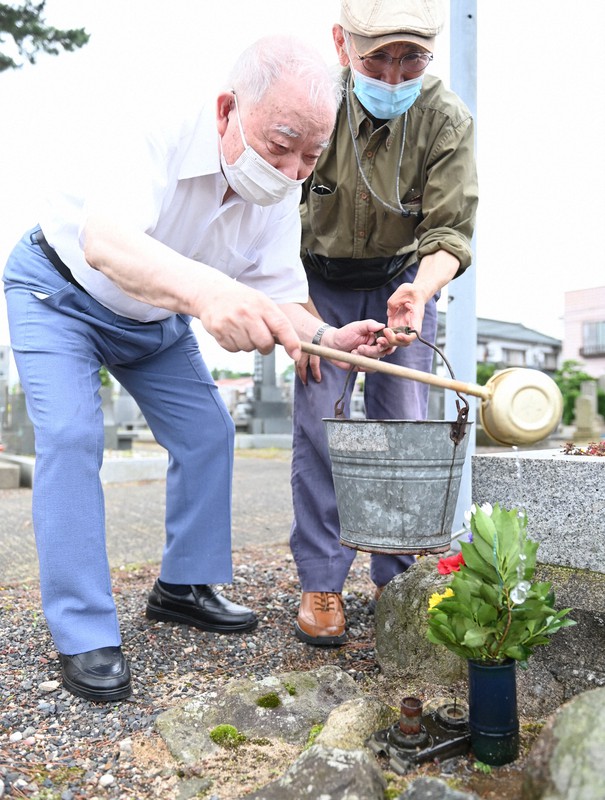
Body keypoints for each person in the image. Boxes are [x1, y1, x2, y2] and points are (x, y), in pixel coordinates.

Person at [2, 35, 392, 702]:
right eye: (281, 145)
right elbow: (107, 244)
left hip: (154, 321)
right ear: (225, 110)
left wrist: (328, 335)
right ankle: (83, 629)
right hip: (58, 294)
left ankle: (182, 585)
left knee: (209, 431)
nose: (295, 171)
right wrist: (211, 295)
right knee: (70, 437)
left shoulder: (277, 193)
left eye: (311, 155)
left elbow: (281, 296)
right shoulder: (150, 126)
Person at [291, 0, 479, 646]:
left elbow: (450, 230)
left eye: (412, 59)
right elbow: (272, 216)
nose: (395, 76)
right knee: (322, 425)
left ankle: (395, 579)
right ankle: (321, 580)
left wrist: (418, 293)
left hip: (403, 280)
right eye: (379, 58)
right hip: (316, 282)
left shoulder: (445, 118)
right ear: (342, 44)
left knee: (402, 426)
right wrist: (302, 316)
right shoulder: (313, 102)